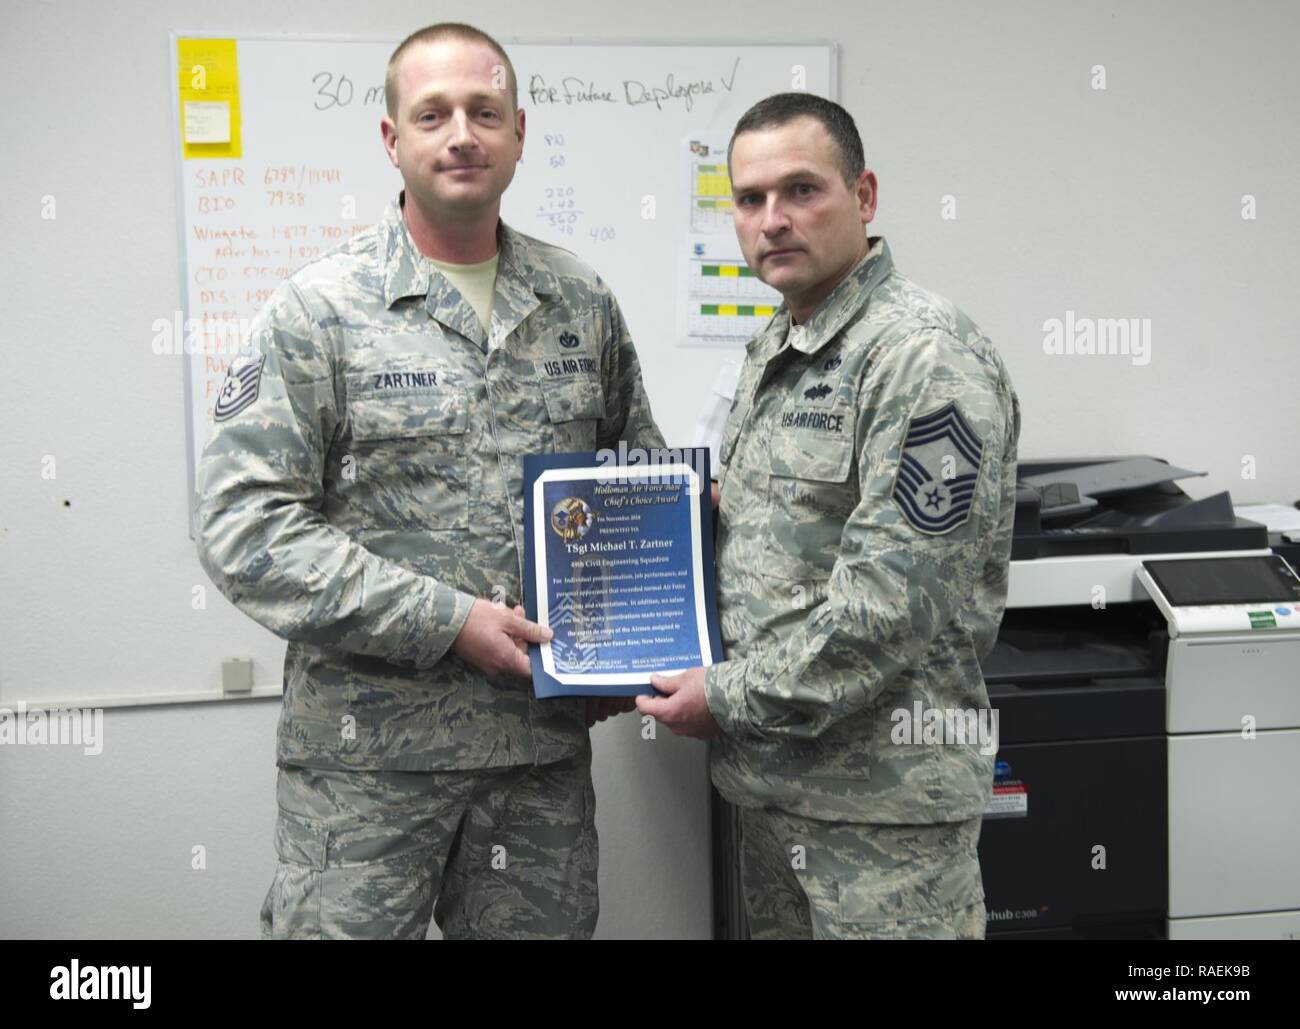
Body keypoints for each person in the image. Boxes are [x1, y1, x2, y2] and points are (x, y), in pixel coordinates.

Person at [195, 22, 663, 939]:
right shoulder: (318, 311)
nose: (461, 135)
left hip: (536, 764)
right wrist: (447, 621)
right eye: (433, 113)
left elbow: (632, 486)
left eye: (485, 112)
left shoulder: (580, 301)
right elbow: (242, 528)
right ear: (391, 138)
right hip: (366, 769)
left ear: (518, 133)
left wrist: (630, 642)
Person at [637, 93, 1020, 940]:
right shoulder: (780, 345)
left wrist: (723, 696)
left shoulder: (922, 356)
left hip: (883, 815)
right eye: (750, 198)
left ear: (864, 195)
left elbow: (890, 606)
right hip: (772, 791)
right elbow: (784, 535)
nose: (773, 219)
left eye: (802, 190)